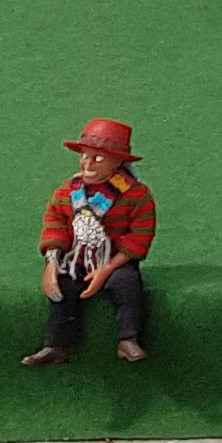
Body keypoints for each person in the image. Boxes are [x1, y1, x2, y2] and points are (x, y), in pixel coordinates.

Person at [24, 115, 155, 366]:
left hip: (115, 261)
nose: (88, 163)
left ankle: (128, 339)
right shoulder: (67, 192)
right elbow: (56, 226)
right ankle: (57, 344)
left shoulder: (136, 195)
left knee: (127, 284)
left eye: (98, 158)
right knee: (62, 290)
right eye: (84, 155)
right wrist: (52, 265)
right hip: (77, 260)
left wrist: (107, 269)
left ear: (117, 162)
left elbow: (140, 235)